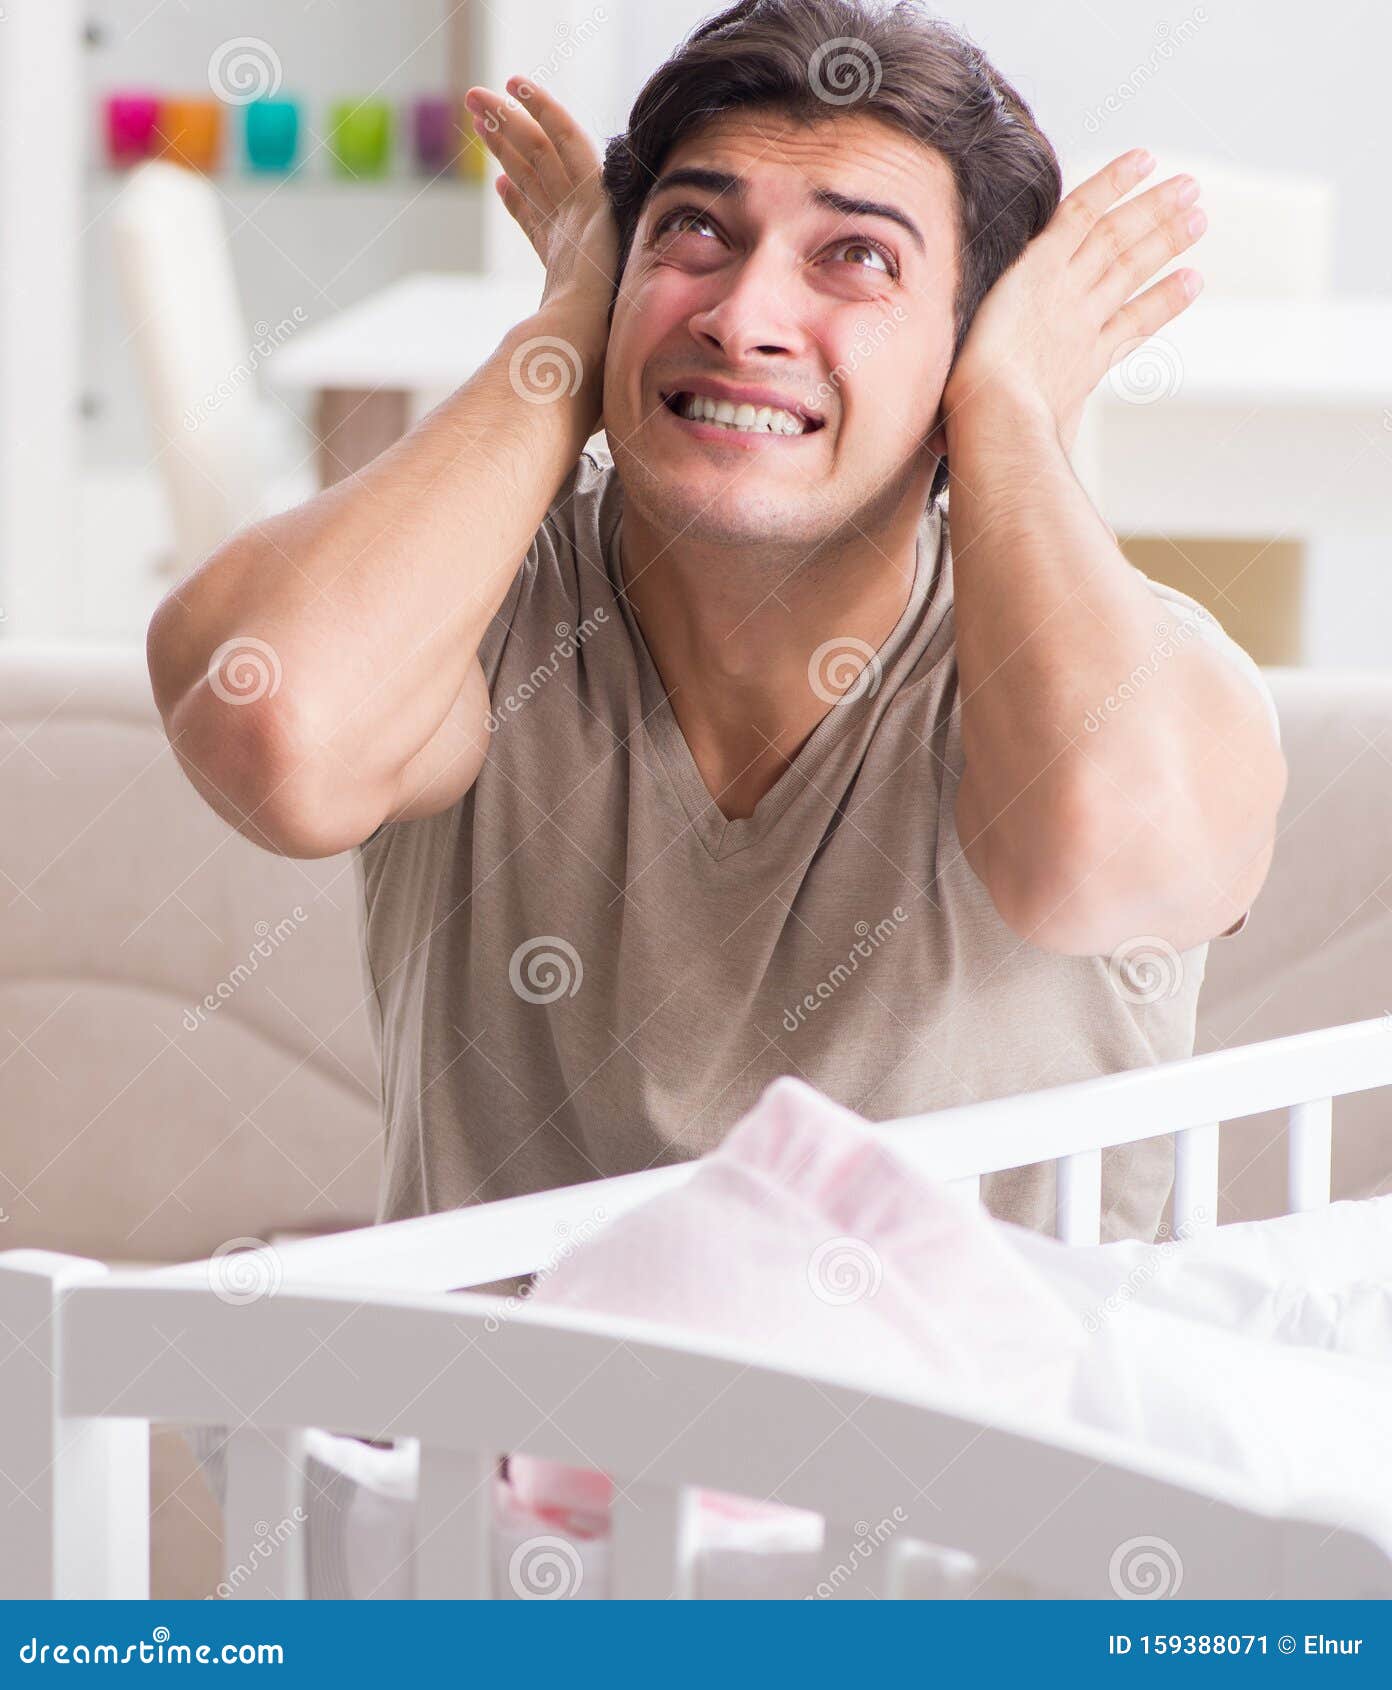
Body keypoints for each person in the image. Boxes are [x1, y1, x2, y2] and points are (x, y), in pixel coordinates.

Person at [145, 0, 1285, 1244]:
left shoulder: (1160, 682)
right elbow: (273, 723)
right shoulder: (474, 619)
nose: (742, 315)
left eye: (859, 257)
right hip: (514, 1428)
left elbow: (1095, 855)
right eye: (692, 231)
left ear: (964, 348)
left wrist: (1010, 404)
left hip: (970, 1440)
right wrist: (561, 337)